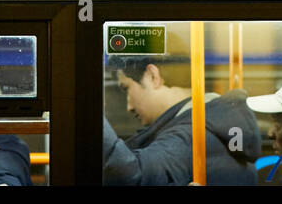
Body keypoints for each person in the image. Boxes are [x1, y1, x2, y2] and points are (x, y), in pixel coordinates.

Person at [102, 33, 261, 185]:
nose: (128, 106)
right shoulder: (216, 122)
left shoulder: (191, 135)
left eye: (126, 88)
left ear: (152, 76)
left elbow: (131, 177)